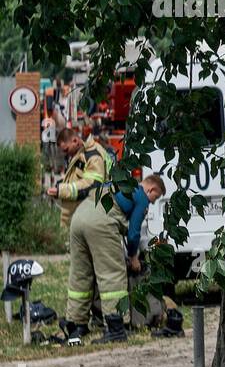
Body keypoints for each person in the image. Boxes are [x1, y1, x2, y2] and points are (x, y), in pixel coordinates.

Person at [64, 174, 166, 345]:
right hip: (100, 222)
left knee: (80, 274)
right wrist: (133, 257)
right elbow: (133, 233)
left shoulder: (120, 182)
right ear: (151, 189)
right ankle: (116, 327)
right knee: (112, 274)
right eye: (155, 198)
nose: (152, 203)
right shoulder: (141, 196)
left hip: (80, 216)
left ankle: (76, 324)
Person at [46, 127, 110, 229]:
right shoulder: (80, 153)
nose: (66, 154)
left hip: (88, 222)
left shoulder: (93, 155)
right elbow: (76, 179)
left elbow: (92, 185)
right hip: (78, 221)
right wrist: (59, 186)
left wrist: (61, 190)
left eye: (66, 150)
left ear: (75, 141)